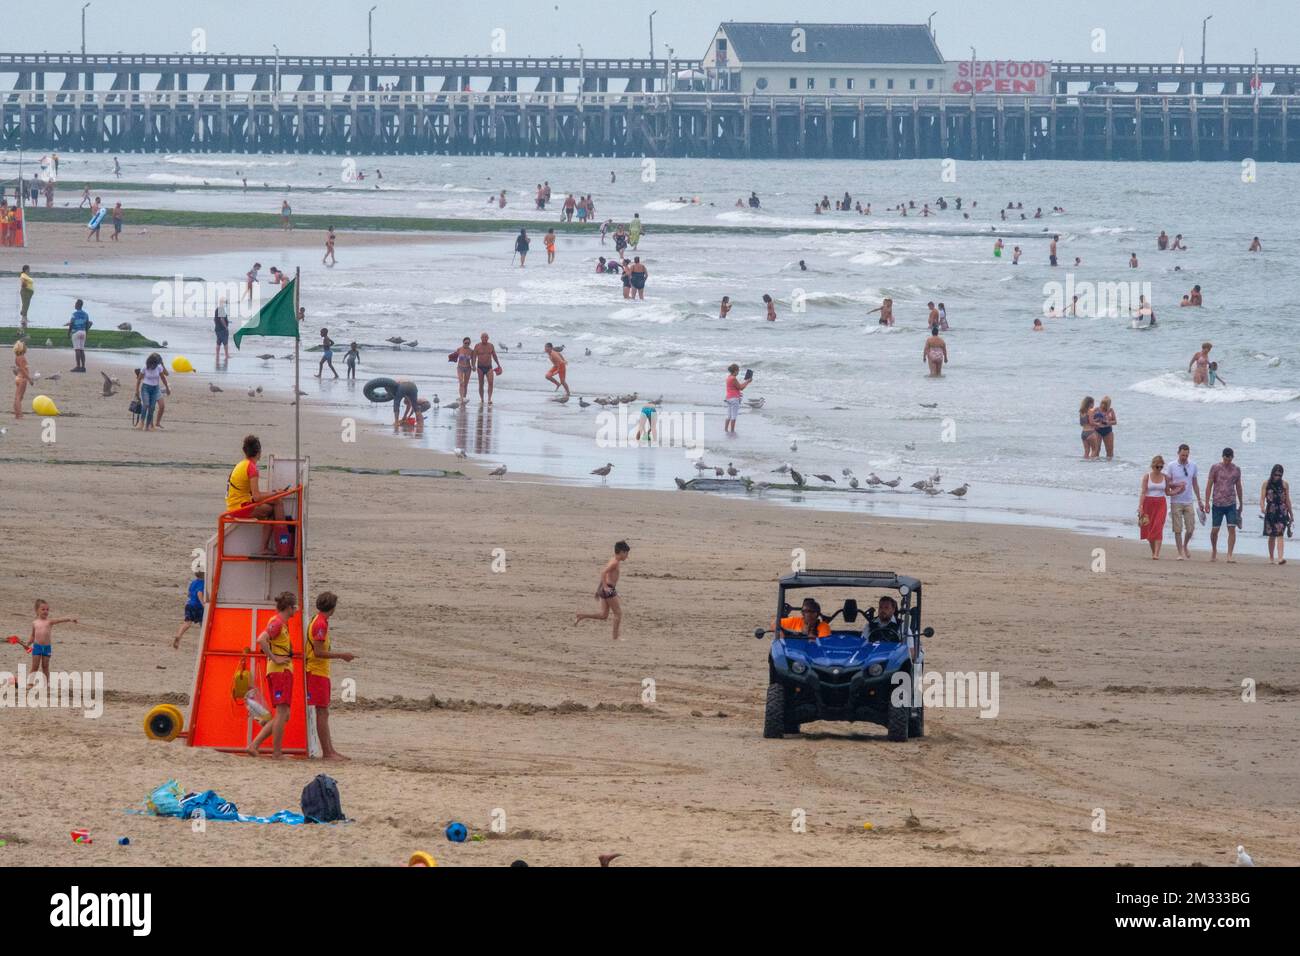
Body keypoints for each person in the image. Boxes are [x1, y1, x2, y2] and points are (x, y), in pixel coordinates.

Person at [306, 591, 356, 760]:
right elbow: (319, 652)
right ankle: (328, 752)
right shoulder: (320, 624)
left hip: (318, 671)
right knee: (322, 711)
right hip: (317, 671)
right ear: (332, 608)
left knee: (323, 711)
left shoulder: (318, 620)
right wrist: (342, 655)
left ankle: (330, 751)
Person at [247, 591, 298, 758]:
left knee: (284, 715)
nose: (296, 610)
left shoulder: (279, 623)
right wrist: (274, 657)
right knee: (282, 713)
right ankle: (276, 752)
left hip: (281, 671)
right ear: (289, 608)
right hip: (279, 672)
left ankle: (255, 745)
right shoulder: (276, 623)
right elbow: (261, 639)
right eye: (294, 607)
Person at [226, 434, 284, 554]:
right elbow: (257, 497)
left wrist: (274, 494)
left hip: (234, 505)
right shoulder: (252, 468)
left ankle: (279, 542)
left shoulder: (240, 465)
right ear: (259, 452)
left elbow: (253, 495)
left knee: (275, 501)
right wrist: (275, 494)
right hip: (240, 507)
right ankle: (283, 542)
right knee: (273, 508)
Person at [574, 541, 630, 640]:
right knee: (618, 613)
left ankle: (582, 616)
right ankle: (615, 638)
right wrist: (604, 587)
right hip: (608, 589)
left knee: (603, 615)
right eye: (626, 553)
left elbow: (606, 575)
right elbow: (603, 572)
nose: (627, 556)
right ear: (621, 552)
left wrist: (598, 589)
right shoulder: (615, 562)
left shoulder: (612, 560)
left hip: (605, 588)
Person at [22, 599, 78, 688]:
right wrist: (27, 643)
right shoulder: (34, 623)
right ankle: (30, 683)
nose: (46, 611)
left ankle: (46, 683)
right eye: (43, 609)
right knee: (35, 666)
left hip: (47, 647)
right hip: (37, 647)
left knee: (45, 666)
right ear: (37, 610)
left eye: (47, 609)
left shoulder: (49, 621)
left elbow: (60, 620)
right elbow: (32, 636)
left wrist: (70, 619)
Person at [1205, 447, 1244, 563]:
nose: (1227, 460)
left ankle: (1229, 555)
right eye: (1226, 457)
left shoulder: (1236, 469)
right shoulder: (1215, 468)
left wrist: (1241, 503)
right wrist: (1207, 502)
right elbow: (1209, 485)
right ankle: (1214, 551)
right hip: (1217, 503)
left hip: (1231, 503)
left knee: (1232, 528)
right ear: (1222, 456)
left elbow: (1238, 486)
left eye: (1230, 457)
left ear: (1232, 457)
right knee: (1215, 530)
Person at [1166, 444, 1204, 560]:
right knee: (1177, 529)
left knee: (1190, 528)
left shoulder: (1193, 465)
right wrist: (1178, 486)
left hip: (1188, 501)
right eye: (1183, 455)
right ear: (1178, 453)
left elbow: (1195, 484)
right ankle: (1180, 553)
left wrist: (1199, 500)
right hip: (1175, 501)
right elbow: (1168, 484)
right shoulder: (1171, 466)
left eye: (1186, 455)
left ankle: (1185, 545)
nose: (1184, 457)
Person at [1138, 455, 1171, 559]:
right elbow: (1143, 492)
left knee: (1158, 526)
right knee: (1148, 528)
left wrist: (1179, 490)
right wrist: (1140, 506)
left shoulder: (1165, 477)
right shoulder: (1147, 476)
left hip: (1161, 503)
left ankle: (1156, 553)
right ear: (1153, 466)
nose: (1159, 469)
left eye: (1161, 467)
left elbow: (1168, 492)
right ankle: (1154, 552)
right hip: (1148, 503)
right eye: (1157, 467)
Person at [1260, 465, 1293, 565]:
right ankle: (1271, 558)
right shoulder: (1266, 484)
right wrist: (1262, 507)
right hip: (1270, 510)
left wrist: (1291, 514)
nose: (1277, 476)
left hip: (1282, 511)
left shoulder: (1285, 484)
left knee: (1280, 534)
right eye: (1276, 474)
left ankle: (1280, 558)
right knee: (1272, 535)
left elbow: (1288, 500)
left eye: (1280, 474)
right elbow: (1262, 498)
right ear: (1272, 473)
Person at [137, 353, 170, 431]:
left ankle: (152, 424)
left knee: (154, 407)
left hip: (155, 388)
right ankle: (144, 423)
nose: (155, 366)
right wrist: (137, 391)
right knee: (147, 405)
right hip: (146, 387)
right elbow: (139, 379)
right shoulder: (145, 367)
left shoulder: (159, 366)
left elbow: (164, 376)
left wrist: (167, 388)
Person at [173, 571, 205, 648]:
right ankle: (204, 639)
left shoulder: (193, 582)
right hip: (198, 606)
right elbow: (199, 593)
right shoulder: (203, 583)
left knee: (187, 623)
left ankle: (179, 635)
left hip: (189, 604)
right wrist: (203, 604)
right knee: (203, 623)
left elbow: (189, 594)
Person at [473, 333, 502, 405]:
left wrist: (498, 364)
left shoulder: (491, 346)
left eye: (486, 337)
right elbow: (474, 356)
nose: (485, 338)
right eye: (483, 337)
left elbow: (494, 355)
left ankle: (489, 399)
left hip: (489, 367)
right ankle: (482, 399)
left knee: (491, 383)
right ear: (481, 338)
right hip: (480, 367)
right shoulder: (477, 346)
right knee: (481, 384)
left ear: (488, 338)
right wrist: (473, 365)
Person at [66, 298, 92, 373]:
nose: (75, 305)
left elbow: (71, 323)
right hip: (83, 332)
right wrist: (86, 333)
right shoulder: (86, 314)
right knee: (82, 350)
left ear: (77, 305)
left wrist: (68, 333)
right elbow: (87, 324)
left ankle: (78, 366)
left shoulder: (74, 314)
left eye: (75, 304)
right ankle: (83, 367)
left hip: (76, 332)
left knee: (77, 350)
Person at [724, 363, 751, 435]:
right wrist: (747, 382)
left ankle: (726, 429)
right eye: (738, 370)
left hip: (728, 398)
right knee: (734, 416)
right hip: (734, 399)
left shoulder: (728, 377)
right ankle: (732, 431)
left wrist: (738, 393)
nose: (738, 372)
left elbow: (733, 388)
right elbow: (741, 387)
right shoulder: (733, 378)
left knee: (729, 415)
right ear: (735, 371)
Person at [12, 340, 33, 419]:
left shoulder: (17, 357)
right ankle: (19, 414)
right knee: (19, 397)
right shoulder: (22, 357)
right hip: (22, 379)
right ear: (22, 349)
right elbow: (23, 369)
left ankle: (17, 413)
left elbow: (18, 369)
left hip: (18, 378)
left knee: (18, 396)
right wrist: (29, 379)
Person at [452, 336, 474, 401]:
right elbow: (455, 358)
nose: (467, 344)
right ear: (463, 342)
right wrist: (452, 358)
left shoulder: (471, 351)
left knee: (466, 384)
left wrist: (473, 366)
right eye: (466, 343)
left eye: (468, 343)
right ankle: (461, 397)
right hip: (460, 367)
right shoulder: (459, 349)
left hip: (468, 368)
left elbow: (473, 360)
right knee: (461, 383)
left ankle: (464, 397)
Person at [214, 298, 230, 364]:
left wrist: (227, 321)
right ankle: (227, 355)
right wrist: (226, 327)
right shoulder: (221, 309)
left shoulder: (217, 309)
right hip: (222, 329)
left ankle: (217, 355)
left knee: (218, 342)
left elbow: (215, 319)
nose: (226, 304)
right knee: (225, 343)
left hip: (217, 329)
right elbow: (222, 319)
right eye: (225, 303)